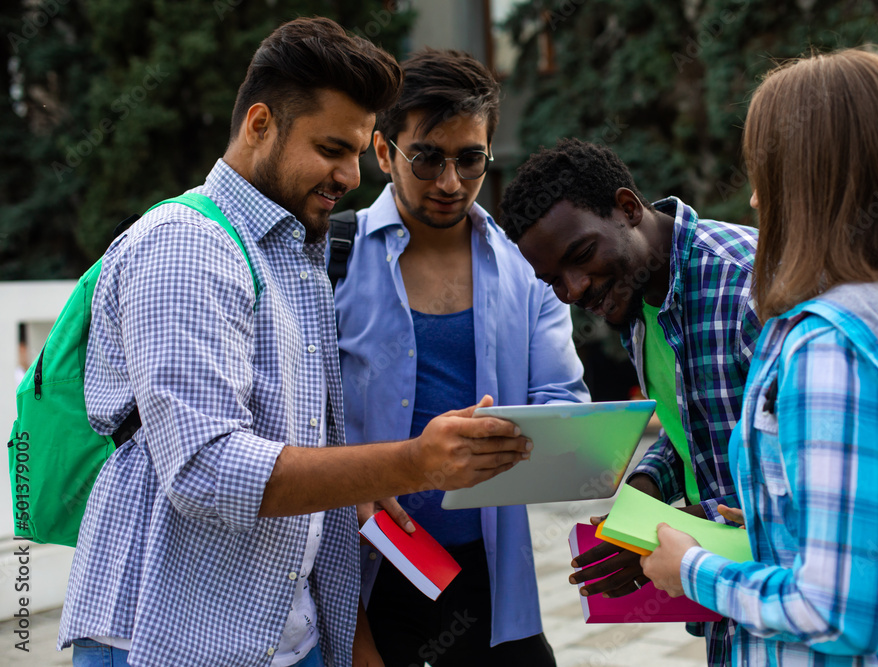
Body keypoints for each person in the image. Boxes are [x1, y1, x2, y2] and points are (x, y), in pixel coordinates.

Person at [57, 19, 531, 667]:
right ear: (259, 125)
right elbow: (207, 469)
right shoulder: (186, 246)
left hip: (286, 636)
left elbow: (302, 465)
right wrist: (415, 461)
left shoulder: (295, 256)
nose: (351, 175)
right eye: (332, 148)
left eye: (360, 152)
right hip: (170, 636)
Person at [639, 48, 878, 664]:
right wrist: (771, 525)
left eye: (765, 173)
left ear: (808, 184)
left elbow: (842, 613)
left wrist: (691, 569)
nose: (755, 201)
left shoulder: (832, 347)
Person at [335, 48, 588, 666]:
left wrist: (513, 436)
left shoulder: (526, 271)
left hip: (492, 576)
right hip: (365, 572)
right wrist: (355, 485)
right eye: (426, 158)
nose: (450, 182)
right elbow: (289, 416)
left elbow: (564, 404)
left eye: (469, 159)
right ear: (383, 150)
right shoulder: (331, 260)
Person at [498, 138, 760, 666]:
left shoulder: (748, 285)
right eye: (552, 280)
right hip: (730, 610)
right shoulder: (638, 298)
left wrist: (668, 536)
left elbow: (802, 483)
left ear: (627, 208)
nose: (574, 290)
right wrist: (644, 490)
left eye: (580, 256)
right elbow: (695, 425)